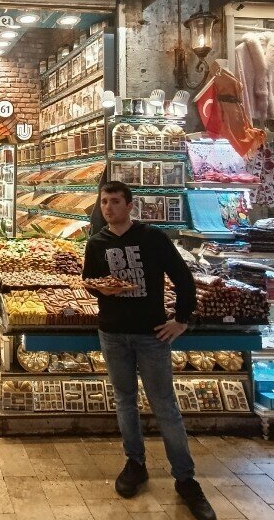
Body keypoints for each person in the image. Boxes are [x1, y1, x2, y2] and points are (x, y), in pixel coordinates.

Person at [81, 181, 216, 520]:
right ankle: (135, 463)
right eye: (104, 202)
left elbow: (184, 279)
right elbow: (91, 282)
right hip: (112, 333)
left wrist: (181, 320)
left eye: (115, 201)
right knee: (124, 401)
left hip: (151, 334)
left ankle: (185, 479)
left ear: (130, 205)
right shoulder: (96, 243)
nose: (108, 208)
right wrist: (103, 290)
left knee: (164, 405)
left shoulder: (153, 239)